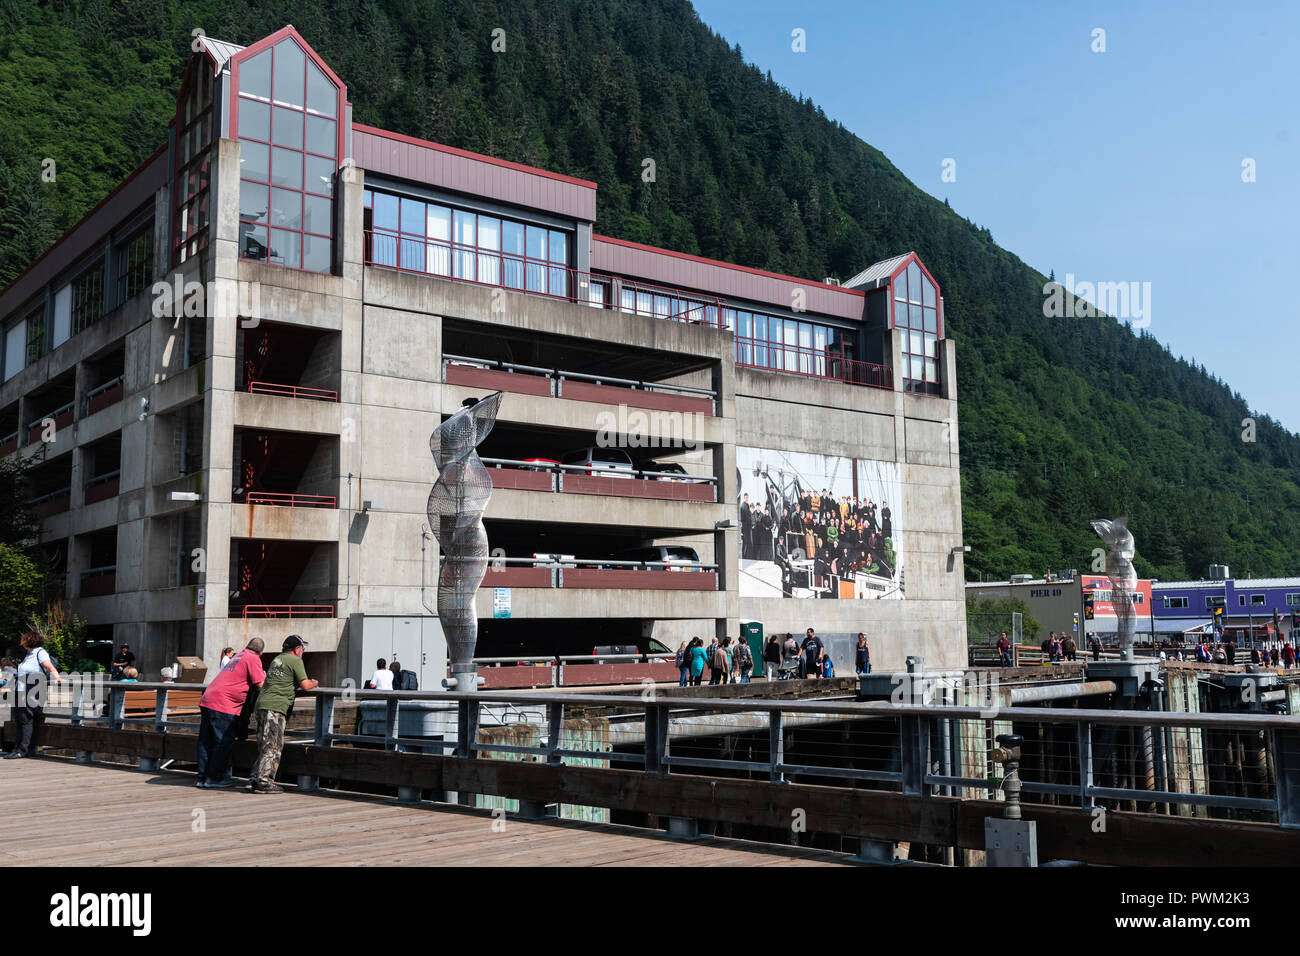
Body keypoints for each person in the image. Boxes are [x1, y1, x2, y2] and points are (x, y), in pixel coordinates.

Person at [250, 635, 318, 794]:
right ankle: (264, 782)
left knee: (263, 745)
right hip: (276, 707)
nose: (303, 651)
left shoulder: (277, 659)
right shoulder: (296, 661)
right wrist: (315, 682)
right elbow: (306, 685)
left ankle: (255, 778)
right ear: (297, 649)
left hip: (261, 704)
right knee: (273, 745)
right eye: (302, 648)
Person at [196, 638, 266, 788]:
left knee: (206, 741)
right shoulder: (253, 658)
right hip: (224, 704)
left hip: (208, 699)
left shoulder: (238, 656)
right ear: (261, 652)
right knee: (222, 742)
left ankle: (202, 777)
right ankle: (214, 779)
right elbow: (261, 684)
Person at [5, 631, 63, 759]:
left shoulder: (40, 653)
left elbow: (50, 667)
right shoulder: (29, 654)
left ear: (29, 641)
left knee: (26, 720)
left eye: (24, 639)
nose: (22, 642)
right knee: (20, 720)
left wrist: (57, 677)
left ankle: (22, 749)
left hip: (32, 689)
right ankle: (19, 748)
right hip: (21, 689)